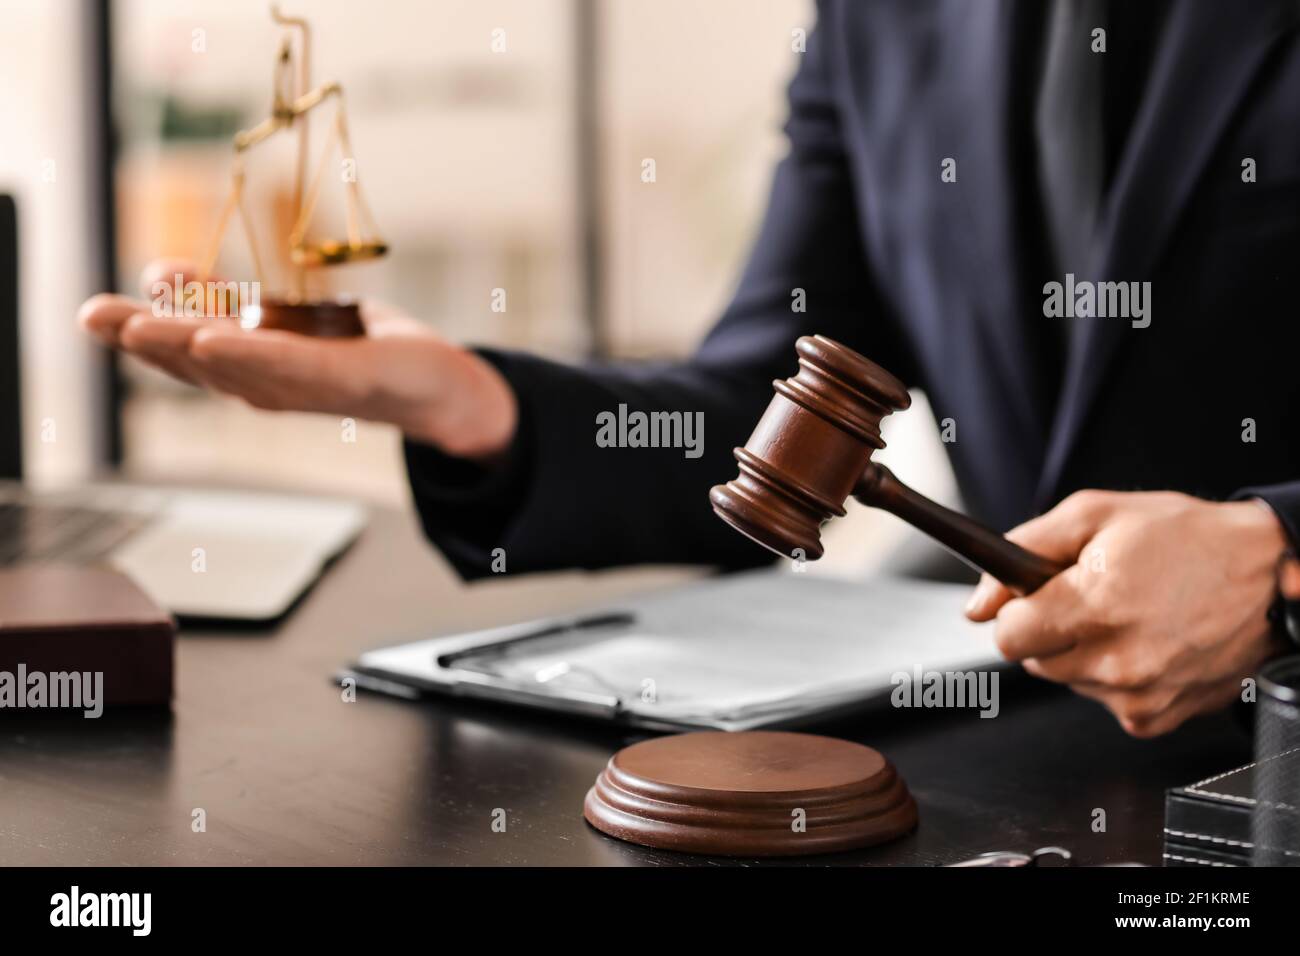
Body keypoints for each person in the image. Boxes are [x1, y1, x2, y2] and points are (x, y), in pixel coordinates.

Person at [78, 0, 1300, 737]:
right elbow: (761, 408)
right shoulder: (879, 20)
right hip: (1031, 743)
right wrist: (477, 401)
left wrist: (1276, 563)